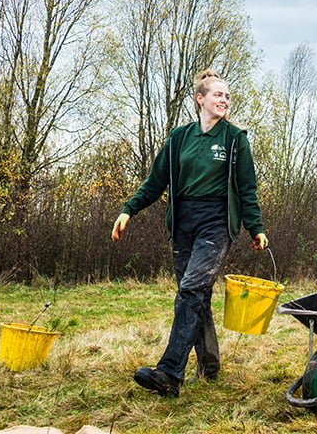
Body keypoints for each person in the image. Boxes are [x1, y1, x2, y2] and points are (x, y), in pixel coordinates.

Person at [111, 69, 268, 398]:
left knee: (190, 290)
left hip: (216, 222)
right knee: (195, 296)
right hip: (184, 223)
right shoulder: (179, 138)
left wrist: (255, 228)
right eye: (217, 95)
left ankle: (170, 373)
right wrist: (129, 209)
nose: (224, 100)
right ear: (200, 99)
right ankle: (209, 365)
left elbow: (247, 188)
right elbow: (156, 181)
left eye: (227, 96)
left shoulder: (235, 138)